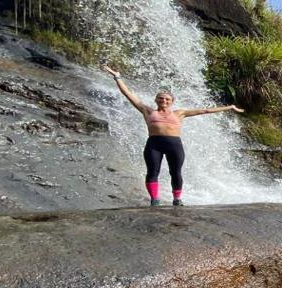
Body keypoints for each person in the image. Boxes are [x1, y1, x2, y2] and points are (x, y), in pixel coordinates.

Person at [103, 65, 244, 206]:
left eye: (167, 99)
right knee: (152, 172)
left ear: (172, 102)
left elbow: (205, 110)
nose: (164, 100)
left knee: (175, 172)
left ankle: (177, 199)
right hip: (154, 145)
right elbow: (128, 94)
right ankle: (154, 200)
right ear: (156, 100)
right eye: (161, 98)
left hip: (174, 145)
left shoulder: (179, 113)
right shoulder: (147, 111)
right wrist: (117, 76)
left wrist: (230, 107)